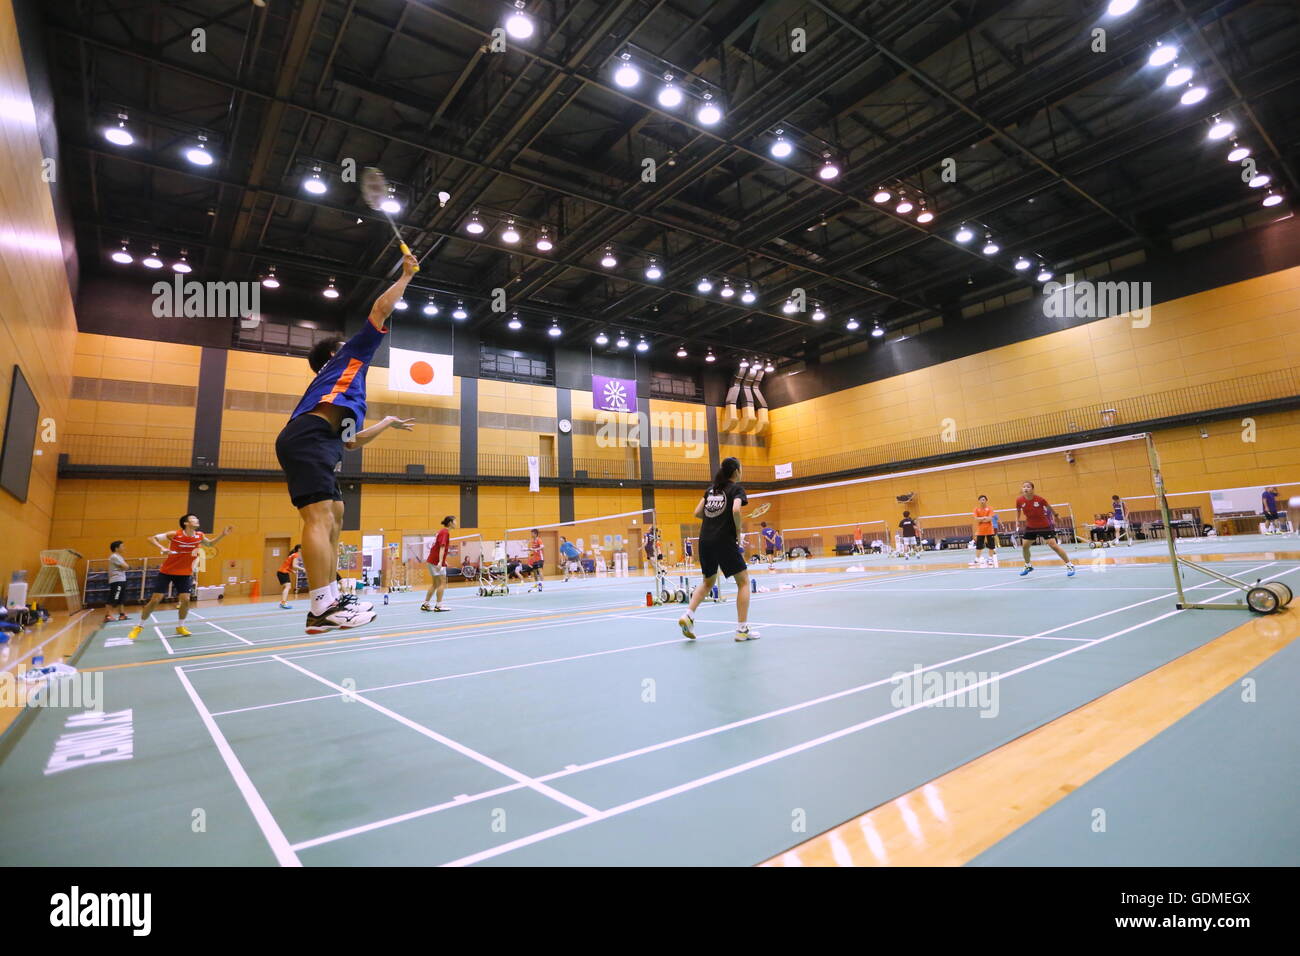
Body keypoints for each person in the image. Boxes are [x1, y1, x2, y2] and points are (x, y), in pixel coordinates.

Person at [275, 252, 418, 634]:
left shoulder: (345, 392)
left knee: (335, 512)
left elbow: (351, 443)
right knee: (319, 516)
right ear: (335, 353)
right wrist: (405, 275)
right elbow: (381, 308)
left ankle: (332, 599)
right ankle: (321, 604)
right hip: (308, 438)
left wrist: (386, 422)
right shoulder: (349, 357)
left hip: (321, 442)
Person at [677, 456, 759, 642]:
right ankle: (742, 629)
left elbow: (698, 512)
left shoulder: (711, 490)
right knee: (744, 582)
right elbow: (736, 511)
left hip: (705, 540)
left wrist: (715, 521)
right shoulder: (736, 489)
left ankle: (688, 615)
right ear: (736, 471)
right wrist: (737, 529)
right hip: (723, 540)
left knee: (708, 581)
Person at [128, 515, 232, 641]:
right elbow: (152, 538)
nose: (197, 520)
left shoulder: (199, 535)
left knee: (186, 600)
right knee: (156, 600)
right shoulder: (174, 534)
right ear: (186, 523)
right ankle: (139, 626)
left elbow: (209, 544)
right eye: (193, 519)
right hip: (167, 571)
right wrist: (162, 547)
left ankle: (180, 626)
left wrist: (223, 535)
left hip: (185, 573)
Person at [1015, 481, 1075, 577]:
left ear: (1032, 489)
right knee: (1025, 546)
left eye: (1028, 487)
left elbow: (1049, 508)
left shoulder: (1040, 499)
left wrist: (1056, 516)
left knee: (1053, 545)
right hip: (1030, 526)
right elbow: (1018, 511)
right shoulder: (1019, 500)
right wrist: (1017, 520)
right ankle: (1028, 565)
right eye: (1024, 487)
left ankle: (1069, 565)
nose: (1025, 488)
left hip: (1043, 525)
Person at [421, 515, 456, 612]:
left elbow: (438, 547)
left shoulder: (441, 531)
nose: (456, 523)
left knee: (435, 584)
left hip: (432, 560)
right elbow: (442, 547)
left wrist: (443, 560)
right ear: (450, 523)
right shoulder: (445, 532)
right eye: (454, 521)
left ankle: (425, 604)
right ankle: (439, 605)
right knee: (442, 583)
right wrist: (440, 561)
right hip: (436, 561)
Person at [970, 496, 998, 567]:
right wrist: (984, 518)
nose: (982, 501)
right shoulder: (976, 509)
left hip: (989, 530)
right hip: (980, 531)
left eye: (983, 500)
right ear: (979, 501)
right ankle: (977, 560)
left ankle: (990, 559)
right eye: (981, 500)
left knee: (991, 546)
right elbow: (976, 519)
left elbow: (990, 518)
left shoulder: (990, 508)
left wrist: (981, 519)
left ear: (986, 501)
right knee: (979, 546)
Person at [106, 540, 130, 622]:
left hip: (121, 579)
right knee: (113, 598)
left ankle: (122, 615)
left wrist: (124, 567)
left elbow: (126, 567)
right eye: (122, 546)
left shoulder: (119, 557)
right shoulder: (114, 557)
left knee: (121, 598)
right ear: (116, 548)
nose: (124, 548)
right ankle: (108, 616)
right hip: (117, 580)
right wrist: (124, 567)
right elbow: (126, 567)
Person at [277, 544, 303, 609]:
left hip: (281, 572)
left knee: (287, 587)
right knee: (288, 587)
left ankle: (282, 602)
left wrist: (292, 571)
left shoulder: (293, 555)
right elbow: (294, 565)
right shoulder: (296, 555)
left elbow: (287, 566)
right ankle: (283, 603)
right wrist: (303, 569)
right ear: (299, 549)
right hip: (283, 572)